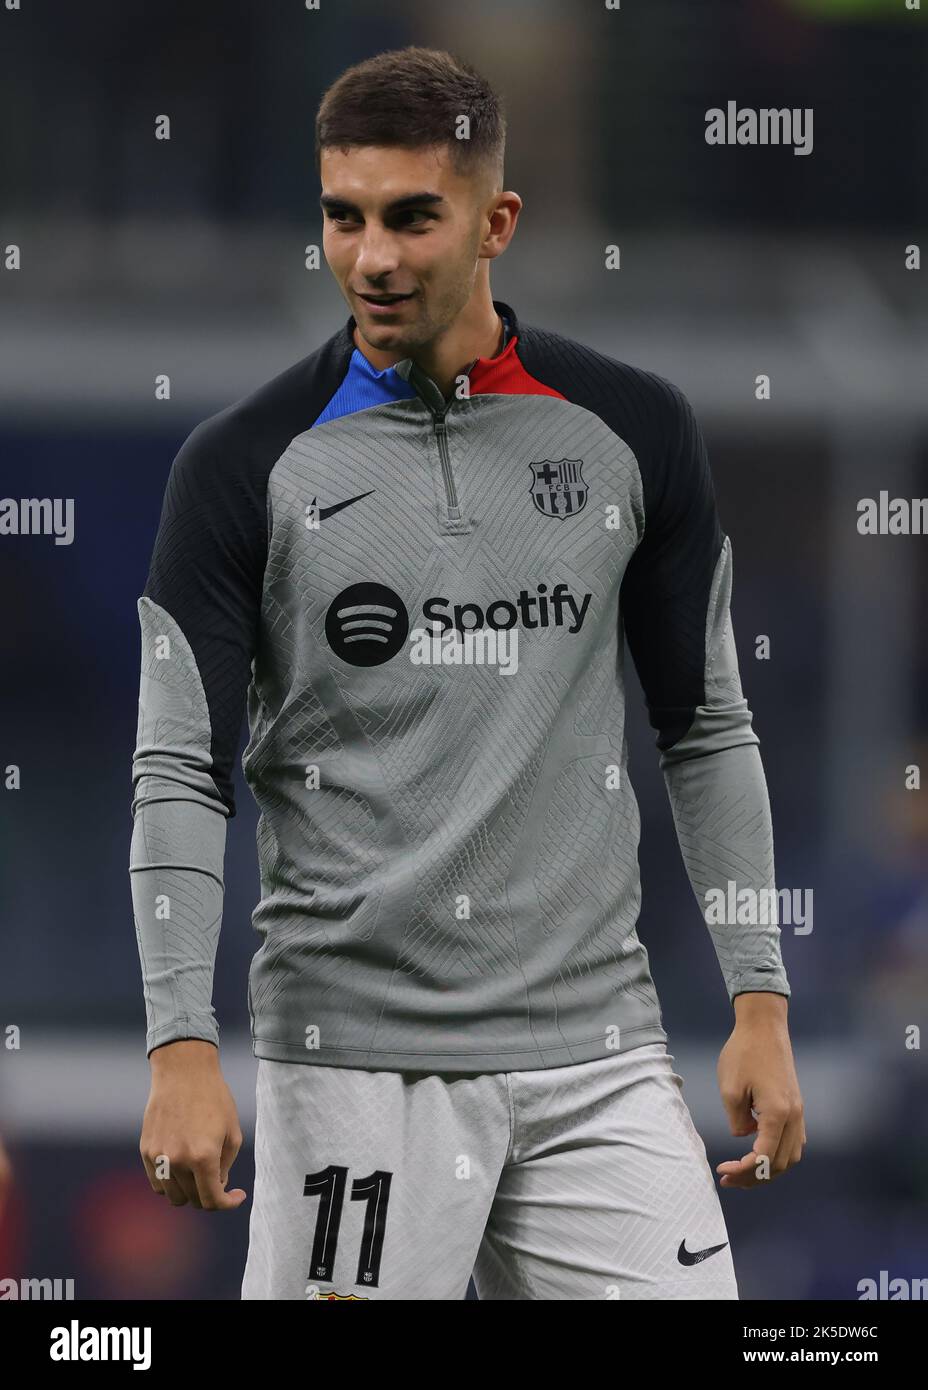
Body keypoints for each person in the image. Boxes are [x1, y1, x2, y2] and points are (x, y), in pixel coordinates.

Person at [131, 45, 805, 1301]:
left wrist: (757, 997)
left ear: (496, 221)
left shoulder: (634, 431)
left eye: (410, 218)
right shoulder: (239, 467)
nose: (371, 257)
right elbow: (179, 767)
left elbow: (705, 727)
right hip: (351, 1068)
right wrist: (179, 1039)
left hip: (594, 1053)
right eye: (342, 217)